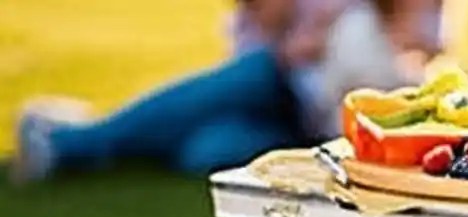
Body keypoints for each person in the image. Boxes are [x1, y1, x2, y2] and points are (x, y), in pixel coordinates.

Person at [10, 0, 441, 184]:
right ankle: (77, 142)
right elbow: (260, 31)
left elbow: (421, 45)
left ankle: (78, 137)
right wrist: (294, 40)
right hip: (278, 87)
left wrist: (328, 33)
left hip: (321, 123)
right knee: (244, 88)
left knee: (205, 151)